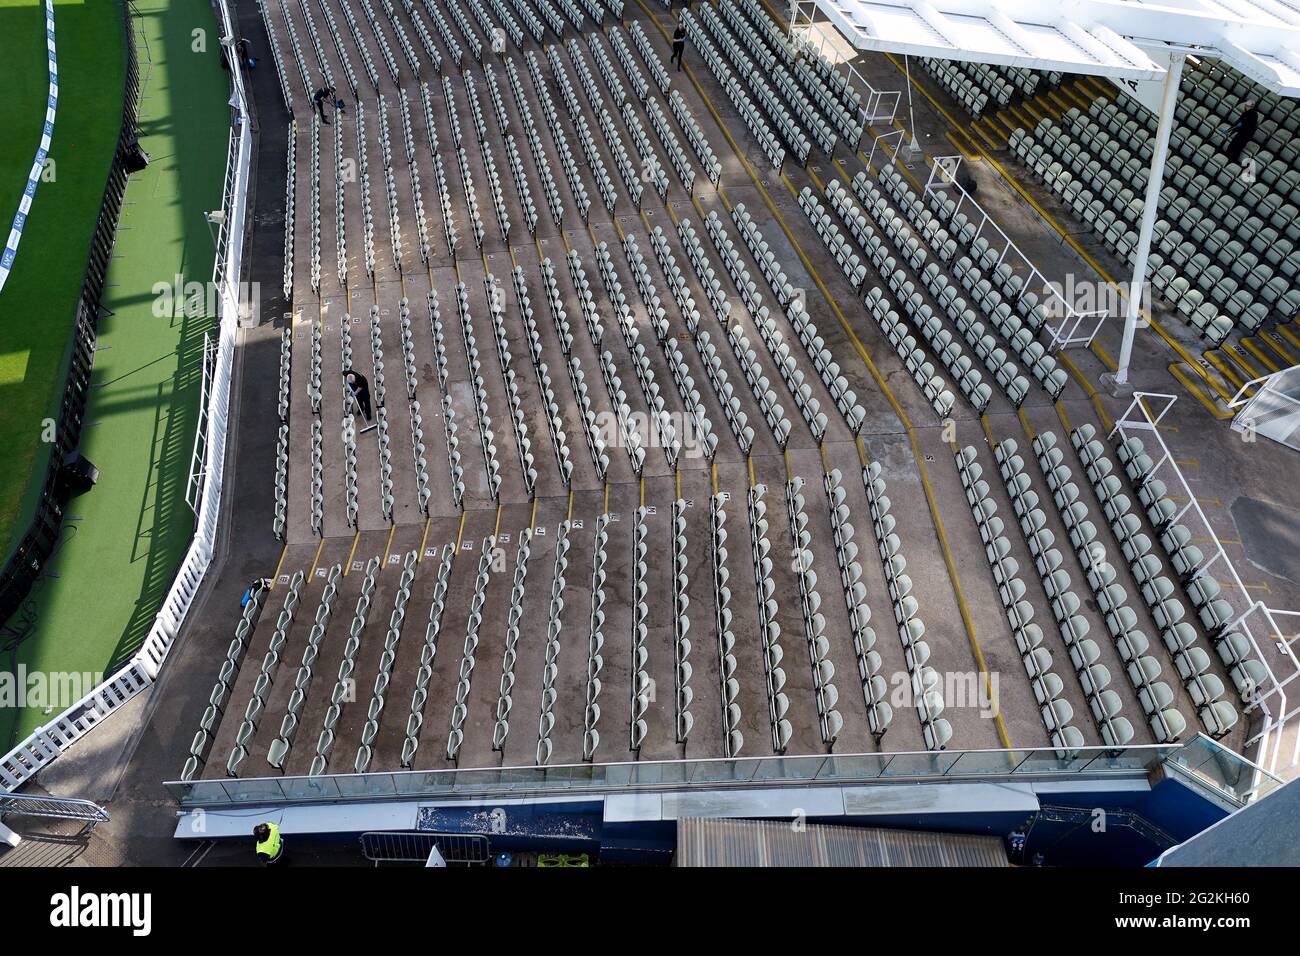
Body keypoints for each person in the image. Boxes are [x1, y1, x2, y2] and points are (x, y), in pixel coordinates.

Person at [1223, 100, 1258, 164]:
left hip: (1246, 135)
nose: (1246, 107)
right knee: (1231, 146)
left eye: (1248, 106)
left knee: (1238, 149)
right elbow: (1238, 123)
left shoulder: (1254, 114)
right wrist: (1229, 131)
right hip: (1241, 133)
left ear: (1252, 107)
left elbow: (1250, 125)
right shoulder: (1245, 113)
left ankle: (1232, 162)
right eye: (1246, 105)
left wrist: (1242, 124)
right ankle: (1225, 159)